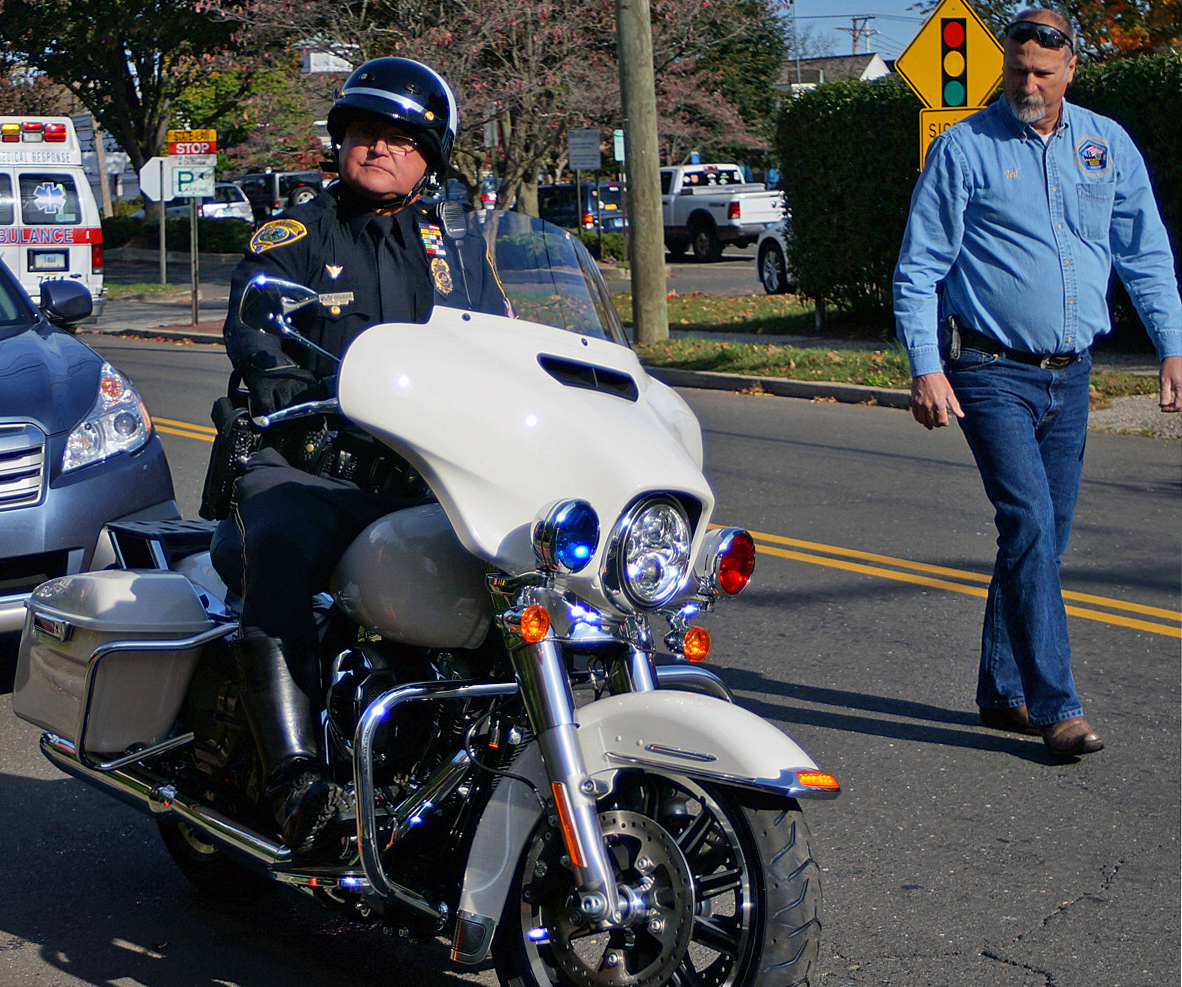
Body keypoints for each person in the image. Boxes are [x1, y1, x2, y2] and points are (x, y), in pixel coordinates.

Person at [214, 56, 509, 856]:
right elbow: (257, 327)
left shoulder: (457, 249)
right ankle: (295, 781)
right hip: (310, 465)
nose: (379, 148)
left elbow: (507, 344)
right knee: (276, 546)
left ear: (430, 156)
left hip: (426, 471)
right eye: (363, 132)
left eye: (401, 137)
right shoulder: (299, 235)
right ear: (340, 142)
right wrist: (285, 385)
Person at [893, 8, 1181, 757]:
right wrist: (926, 364)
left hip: (1072, 372)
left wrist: (1172, 347)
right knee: (1028, 523)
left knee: (1042, 542)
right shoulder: (965, 149)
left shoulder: (1104, 145)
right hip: (989, 370)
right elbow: (920, 266)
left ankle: (1001, 688)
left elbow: (1145, 252)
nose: (1029, 83)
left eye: (1043, 73)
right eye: (1018, 69)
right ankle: (1057, 705)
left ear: (1071, 70)